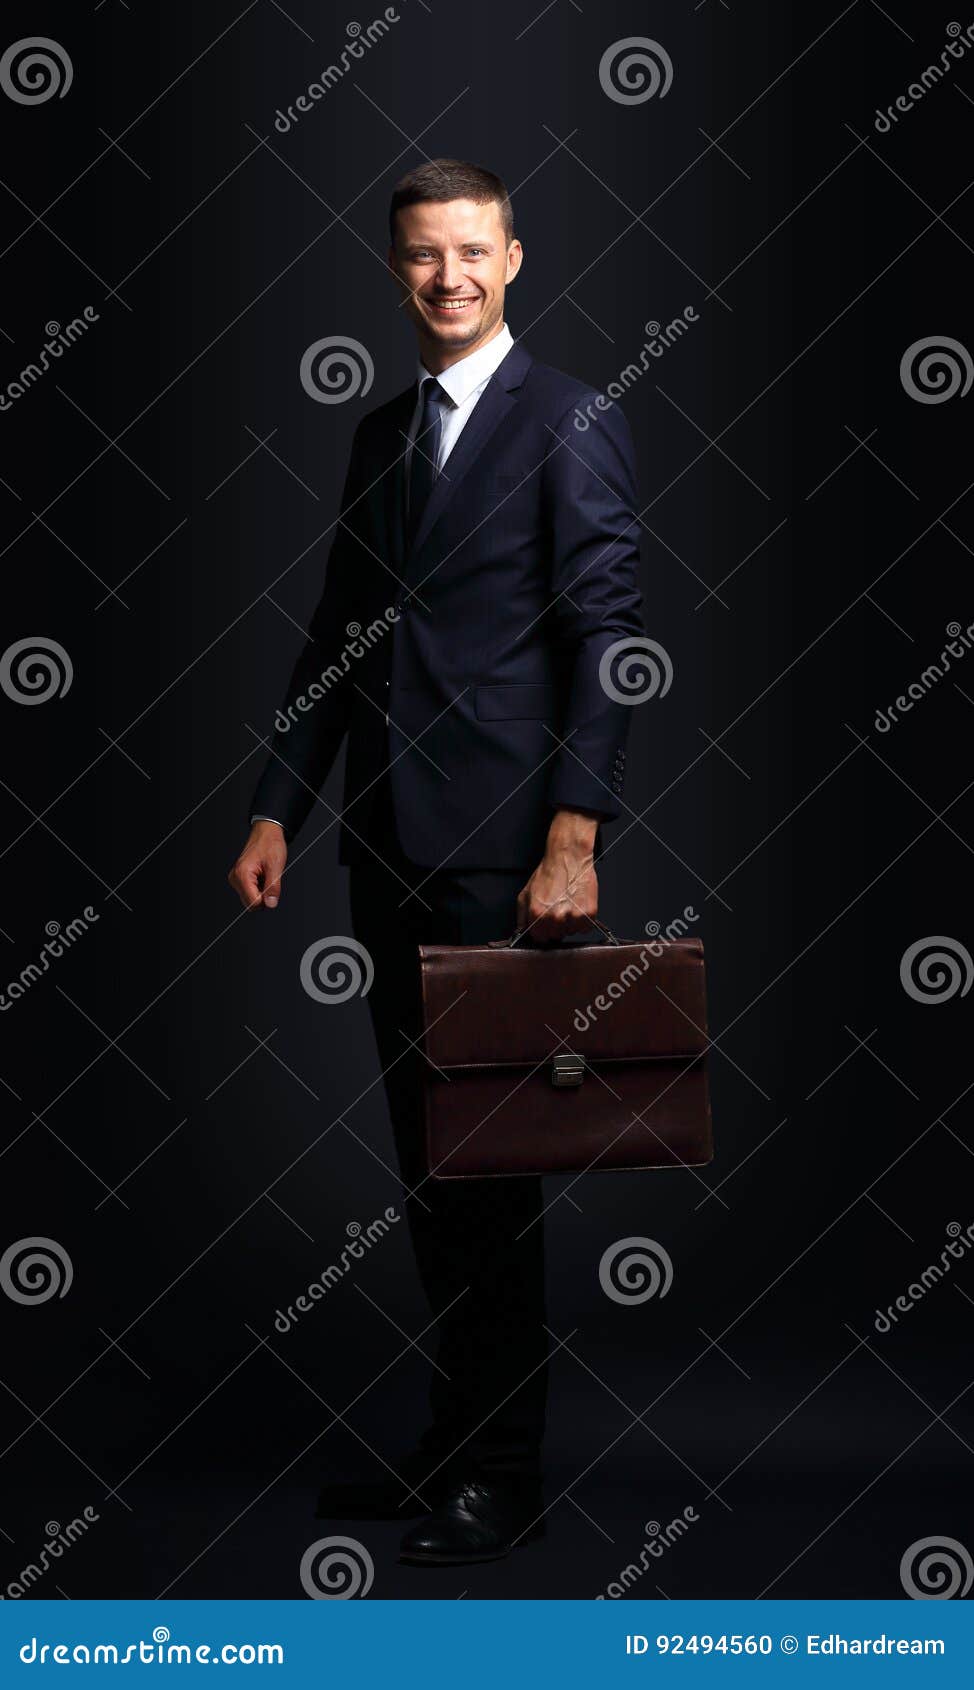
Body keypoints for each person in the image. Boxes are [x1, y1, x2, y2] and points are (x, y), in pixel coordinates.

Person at [228, 158, 645, 1566]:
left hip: (506, 858)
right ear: (395, 267)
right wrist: (279, 804)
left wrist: (574, 834)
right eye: (421, 255)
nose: (447, 277)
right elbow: (335, 632)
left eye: (471, 251)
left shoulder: (570, 419)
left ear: (513, 258)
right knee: (423, 1167)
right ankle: (454, 1438)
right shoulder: (380, 434)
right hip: (383, 846)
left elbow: (608, 639)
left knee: (489, 1169)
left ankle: (505, 1470)